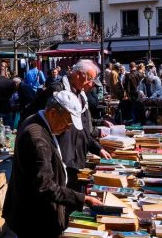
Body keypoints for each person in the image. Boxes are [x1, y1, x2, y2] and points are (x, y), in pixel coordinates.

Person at [4, 91, 102, 238]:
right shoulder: (37, 138)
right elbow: (45, 186)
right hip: (35, 221)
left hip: (32, 215)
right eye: (66, 122)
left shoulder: (38, 122)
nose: (67, 128)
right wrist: (82, 199)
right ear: (53, 113)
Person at [25, 60, 106, 192]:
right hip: (62, 157)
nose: (91, 84)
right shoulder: (58, 91)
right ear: (79, 74)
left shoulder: (81, 95)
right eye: (90, 79)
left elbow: (83, 129)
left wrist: (97, 148)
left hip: (76, 158)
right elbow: (40, 117)